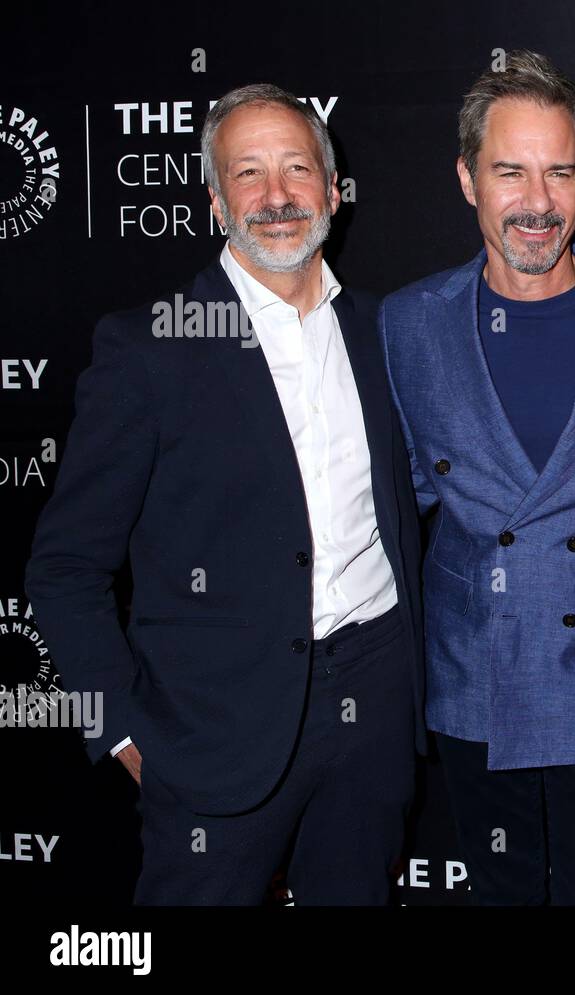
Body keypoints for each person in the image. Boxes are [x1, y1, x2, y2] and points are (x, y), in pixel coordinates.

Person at [24, 84, 425, 904]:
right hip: (213, 727)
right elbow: (63, 570)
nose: (276, 195)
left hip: (376, 699)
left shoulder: (383, 331)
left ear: (333, 189)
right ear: (215, 201)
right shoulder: (148, 351)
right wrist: (120, 728)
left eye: (296, 168)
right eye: (248, 173)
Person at [379, 51, 575, 905]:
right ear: (469, 179)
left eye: (560, 172)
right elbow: (392, 502)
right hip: (478, 675)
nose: (537, 202)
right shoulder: (408, 324)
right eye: (510, 172)